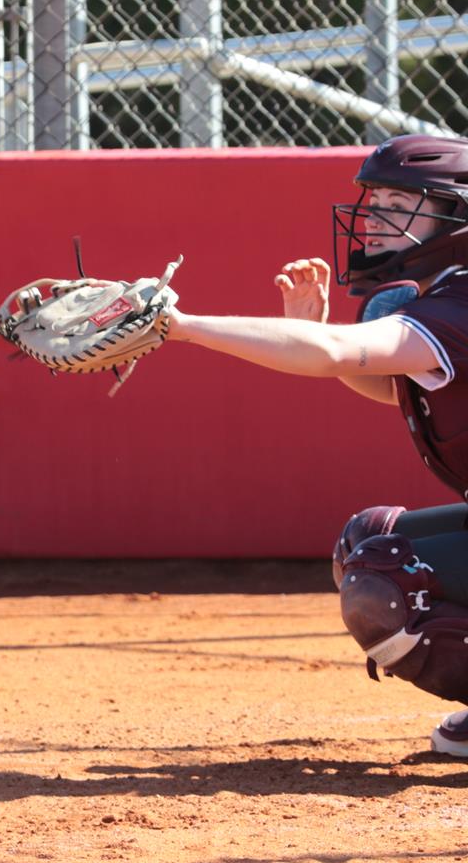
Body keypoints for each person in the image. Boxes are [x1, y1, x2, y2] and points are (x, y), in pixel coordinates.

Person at [163, 134, 468, 758]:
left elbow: (332, 354)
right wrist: (312, 329)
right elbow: (391, 386)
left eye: (400, 202)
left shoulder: (461, 300)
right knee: (368, 539)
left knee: (384, 579)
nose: (375, 217)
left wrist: (180, 326)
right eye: (374, 199)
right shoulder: (447, 294)